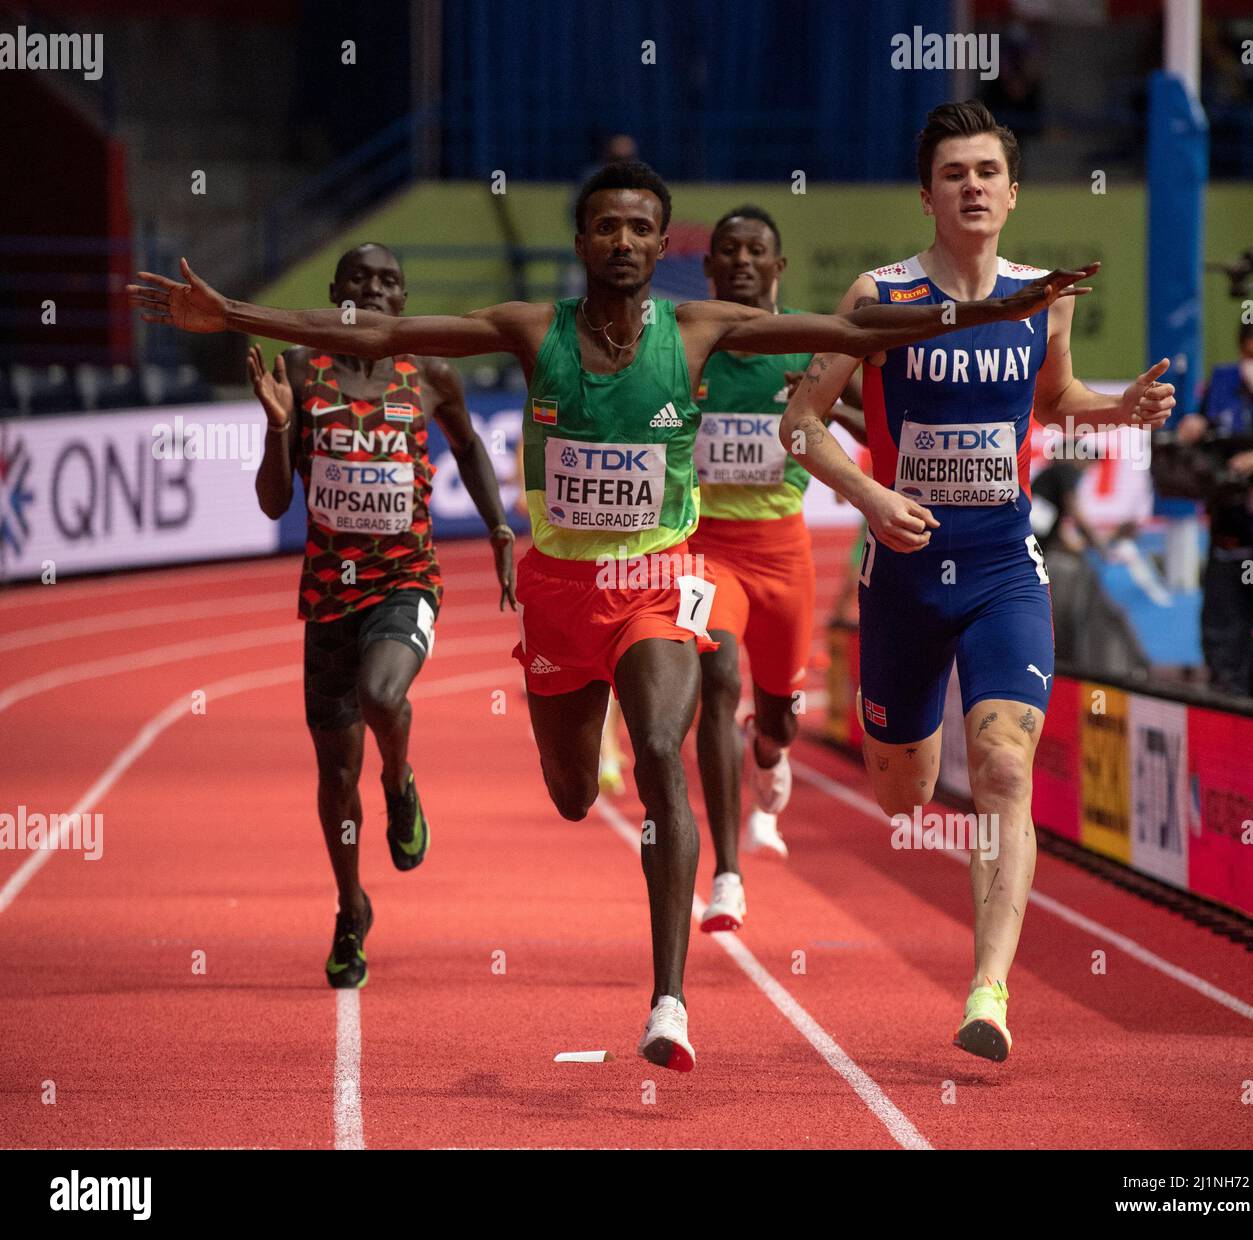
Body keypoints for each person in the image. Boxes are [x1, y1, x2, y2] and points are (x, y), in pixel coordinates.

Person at [131, 158, 1091, 1072]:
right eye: (607, 227)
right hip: (558, 595)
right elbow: (379, 337)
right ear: (583, 241)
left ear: (663, 240)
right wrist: (231, 316)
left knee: (663, 750)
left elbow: (856, 336)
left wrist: (992, 310)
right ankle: (605, 798)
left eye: (641, 227)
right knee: (572, 794)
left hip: (657, 580)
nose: (624, 241)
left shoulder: (701, 326)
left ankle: (668, 1000)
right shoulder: (526, 326)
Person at [779, 101, 1174, 1061]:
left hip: (1003, 568)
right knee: (904, 795)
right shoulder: (884, 296)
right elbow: (800, 419)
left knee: (1003, 765)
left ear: (1011, 190)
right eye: (954, 173)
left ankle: (988, 990)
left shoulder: (1045, 295)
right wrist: (872, 497)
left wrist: (1118, 409)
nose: (972, 186)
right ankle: (905, 764)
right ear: (928, 194)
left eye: (987, 172)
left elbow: (1054, 399)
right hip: (904, 576)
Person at [243, 242, 516, 988]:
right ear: (336, 292)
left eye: (389, 279)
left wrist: (497, 527)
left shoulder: (430, 371)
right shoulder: (301, 371)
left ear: (403, 297)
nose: (373, 287)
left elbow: (469, 449)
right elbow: (273, 502)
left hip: (405, 579)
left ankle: (400, 783)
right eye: (359, 278)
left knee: (383, 695)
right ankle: (349, 909)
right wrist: (276, 429)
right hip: (328, 593)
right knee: (335, 775)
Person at [692, 204, 864, 933]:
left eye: (755, 250)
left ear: (778, 267)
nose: (739, 261)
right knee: (716, 676)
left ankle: (770, 751)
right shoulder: (687, 345)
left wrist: (822, 408)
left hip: (782, 552)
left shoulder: (807, 342)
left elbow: (867, 418)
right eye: (726, 250)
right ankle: (726, 874)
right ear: (710, 267)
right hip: (703, 550)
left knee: (778, 717)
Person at [1176, 309, 1253, 697]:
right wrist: (1195, 432)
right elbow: (1195, 453)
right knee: (1225, 652)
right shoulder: (1224, 383)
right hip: (1228, 546)